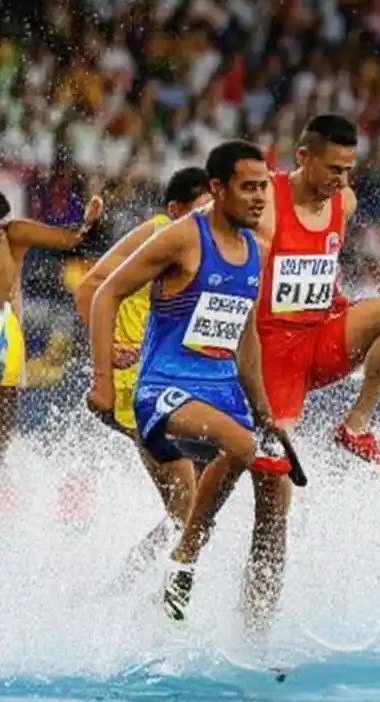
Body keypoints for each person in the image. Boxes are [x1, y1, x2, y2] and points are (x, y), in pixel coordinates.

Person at [86, 141, 290, 625]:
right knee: (239, 447)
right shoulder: (182, 237)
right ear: (218, 190)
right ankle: (185, 557)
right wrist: (102, 381)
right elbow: (106, 291)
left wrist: (265, 414)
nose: (260, 197)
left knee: (277, 489)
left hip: (224, 393)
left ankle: (256, 628)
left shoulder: (255, 252)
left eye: (263, 187)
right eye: (248, 187)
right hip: (164, 389)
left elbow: (246, 339)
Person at [256, 114, 380, 478]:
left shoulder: (344, 200)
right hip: (272, 348)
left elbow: (320, 261)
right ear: (303, 157)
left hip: (320, 338)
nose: (341, 180)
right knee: (273, 472)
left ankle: (356, 426)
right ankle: (191, 526)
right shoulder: (265, 196)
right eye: (333, 169)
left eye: (347, 170)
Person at [74, 167, 213, 580]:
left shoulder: (208, 250)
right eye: (203, 206)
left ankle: (127, 588)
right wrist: (105, 352)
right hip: (134, 384)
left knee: (193, 508)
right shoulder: (159, 231)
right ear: (177, 210)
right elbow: (90, 288)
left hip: (176, 385)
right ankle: (142, 595)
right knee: (188, 507)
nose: (212, 215)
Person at [0, 189, 104, 474]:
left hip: (3, 332)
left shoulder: (12, 233)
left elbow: (73, 240)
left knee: (5, 414)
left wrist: (88, 224)